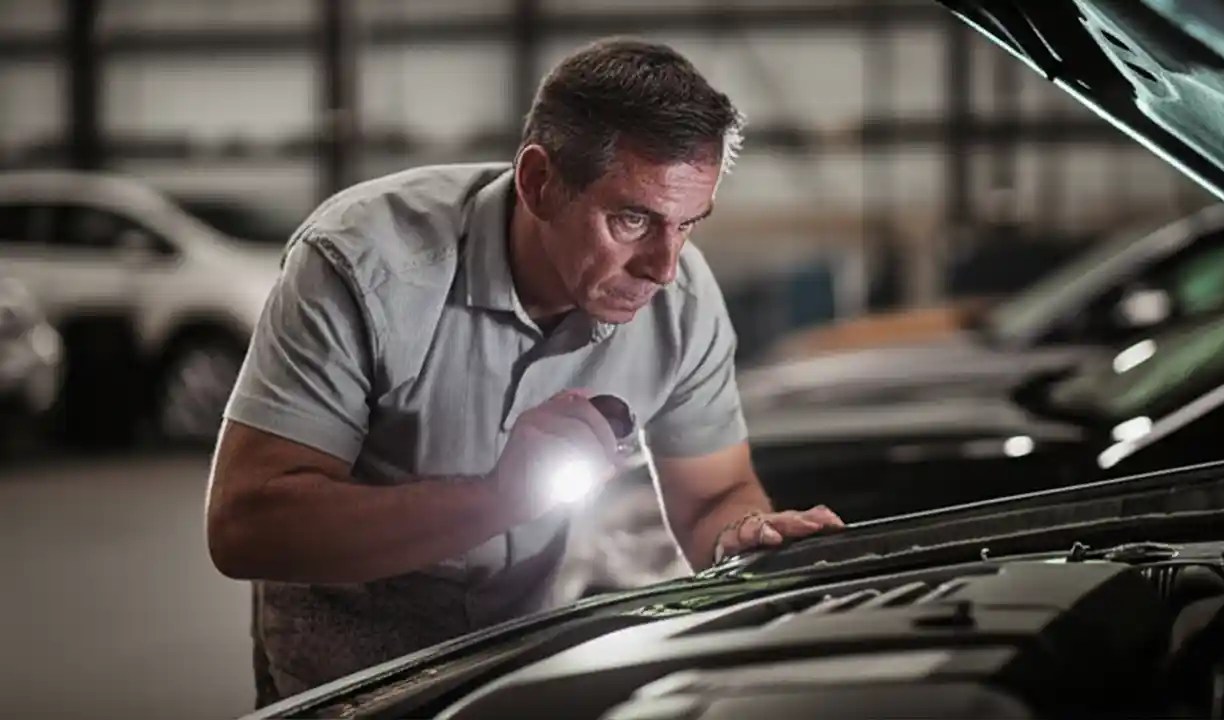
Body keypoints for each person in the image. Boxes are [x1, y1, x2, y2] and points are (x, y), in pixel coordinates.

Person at [204, 37, 845, 706]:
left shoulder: (682, 299)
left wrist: (743, 539)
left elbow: (716, 496)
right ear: (539, 183)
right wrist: (497, 500)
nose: (662, 265)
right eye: (632, 219)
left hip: (520, 657)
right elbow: (246, 526)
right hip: (345, 673)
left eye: (687, 224)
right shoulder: (363, 264)